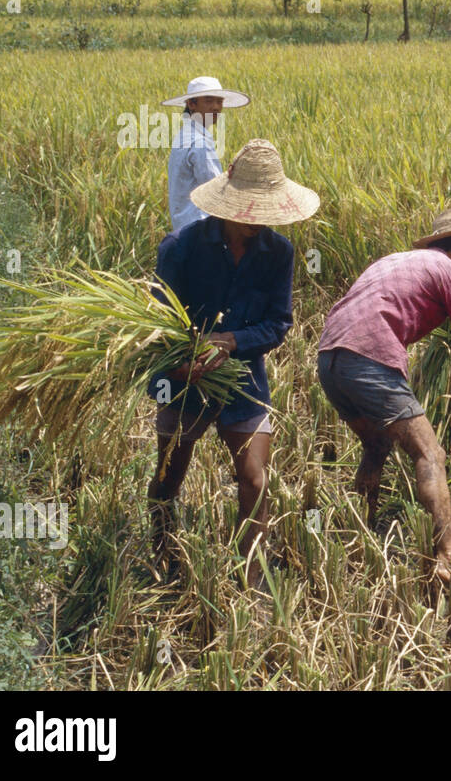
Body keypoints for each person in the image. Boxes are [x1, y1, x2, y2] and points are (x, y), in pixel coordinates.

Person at [317, 208, 451, 603]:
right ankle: (448, 560)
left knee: (376, 446)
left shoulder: (396, 262)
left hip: (329, 360)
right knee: (430, 453)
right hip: (369, 358)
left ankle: (360, 533)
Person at [149, 139, 319, 584]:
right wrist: (183, 361)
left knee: (255, 480)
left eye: (264, 211)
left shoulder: (278, 253)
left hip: (242, 378)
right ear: (227, 203)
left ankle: (252, 581)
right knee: (169, 476)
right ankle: (162, 558)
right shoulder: (182, 247)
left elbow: (278, 324)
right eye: (248, 209)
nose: (256, 221)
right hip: (182, 378)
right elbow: (155, 322)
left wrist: (231, 341)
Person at [162, 75, 250, 232]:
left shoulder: (185, 135)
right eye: (209, 101)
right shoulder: (199, 143)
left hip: (183, 226)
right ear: (191, 104)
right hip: (199, 229)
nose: (216, 107)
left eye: (219, 101)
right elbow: (216, 190)